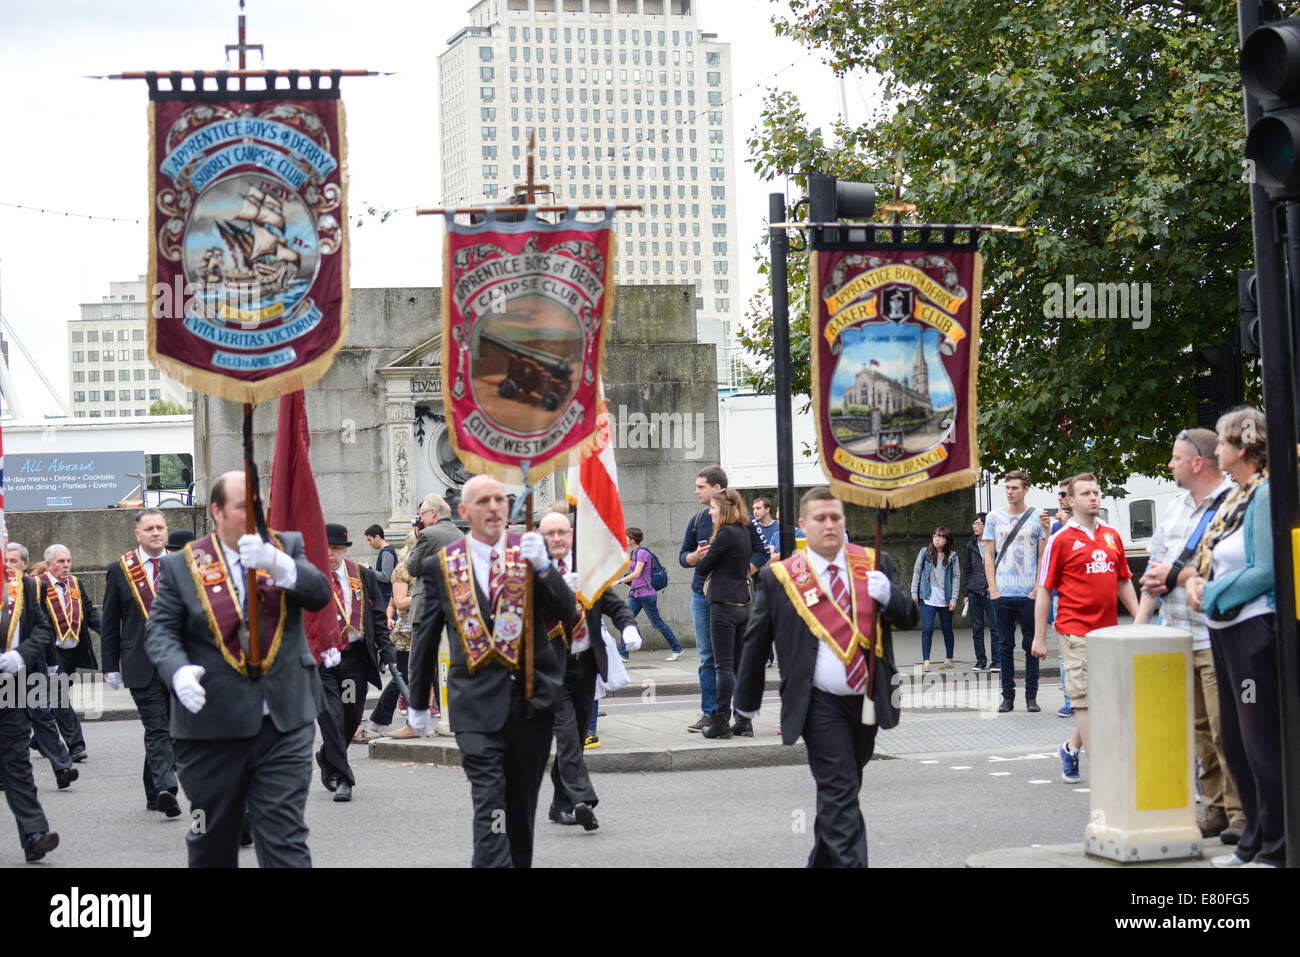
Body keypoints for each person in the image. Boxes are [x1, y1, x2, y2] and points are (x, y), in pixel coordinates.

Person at [144, 470, 332, 867]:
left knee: (285, 837)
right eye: (242, 507)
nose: (253, 514)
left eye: (257, 504)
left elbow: (318, 595)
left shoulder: (286, 546)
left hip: (285, 720)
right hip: (212, 725)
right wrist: (178, 672)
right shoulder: (183, 566)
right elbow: (160, 631)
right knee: (211, 838)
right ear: (216, 511)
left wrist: (280, 565)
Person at [734, 487, 917, 867]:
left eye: (836, 517)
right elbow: (755, 641)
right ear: (803, 525)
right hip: (818, 702)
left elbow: (909, 617)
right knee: (840, 789)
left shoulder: (873, 562)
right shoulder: (781, 577)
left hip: (867, 698)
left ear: (844, 522)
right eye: (820, 518)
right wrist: (746, 702)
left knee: (844, 789)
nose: (829, 525)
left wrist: (889, 598)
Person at [406, 475, 574, 868]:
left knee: (520, 809)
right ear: (465, 512)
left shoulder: (528, 550)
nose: (495, 507)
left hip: (531, 703)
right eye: (484, 501)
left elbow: (567, 612)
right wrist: (417, 702)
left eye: (500, 499)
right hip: (475, 708)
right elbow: (426, 636)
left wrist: (545, 568)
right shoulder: (441, 565)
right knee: (490, 803)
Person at [1186, 407, 1283, 868]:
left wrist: (1208, 592)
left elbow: (1264, 569)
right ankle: (1255, 845)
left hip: (1250, 633)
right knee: (1237, 743)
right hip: (1225, 630)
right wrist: (1196, 584)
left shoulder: (1264, 495)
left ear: (1241, 449)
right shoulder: (1237, 496)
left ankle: (1275, 847)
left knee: (1259, 742)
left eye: (1222, 443)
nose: (1216, 450)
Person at [1134, 428, 1240, 843]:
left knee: (1225, 729)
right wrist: (1140, 629)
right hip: (1175, 636)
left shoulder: (1235, 503)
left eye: (1176, 458)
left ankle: (1240, 814)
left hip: (1216, 636)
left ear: (1198, 462)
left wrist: (1178, 576)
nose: (1170, 465)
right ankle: (1214, 809)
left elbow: (1233, 568)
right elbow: (1153, 575)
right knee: (1199, 731)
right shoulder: (1175, 508)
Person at [1032, 473, 1140, 783]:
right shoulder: (1060, 539)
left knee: (1104, 699)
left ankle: (1069, 748)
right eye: (1086, 493)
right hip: (1074, 630)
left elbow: (1123, 580)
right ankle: (1105, 773)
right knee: (1085, 700)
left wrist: (1140, 620)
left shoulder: (1111, 535)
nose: (1093, 497)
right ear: (1071, 500)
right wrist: (1040, 636)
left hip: (1108, 632)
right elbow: (1044, 589)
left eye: (1096, 491)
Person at [539, 511, 640, 831]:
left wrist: (628, 626)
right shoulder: (533, 572)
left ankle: (559, 805)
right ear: (542, 538)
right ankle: (582, 800)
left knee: (578, 738)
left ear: (571, 534)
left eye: (561, 532)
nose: (556, 538)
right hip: (552, 668)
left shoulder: (588, 569)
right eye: (549, 533)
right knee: (567, 737)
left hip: (585, 667)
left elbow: (613, 604)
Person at [100, 508, 180, 816]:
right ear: (138, 534)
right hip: (140, 663)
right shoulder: (120, 569)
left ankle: (152, 789)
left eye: (161, 527)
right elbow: (110, 622)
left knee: (170, 728)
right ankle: (166, 788)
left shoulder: (178, 566)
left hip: (175, 663)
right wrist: (110, 666)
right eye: (149, 529)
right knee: (157, 727)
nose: (156, 533)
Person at [679, 466, 768, 732]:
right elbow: (684, 556)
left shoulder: (741, 522)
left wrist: (738, 574)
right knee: (709, 657)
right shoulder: (698, 519)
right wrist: (692, 557)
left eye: (700, 487)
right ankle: (713, 713)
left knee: (726, 662)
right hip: (702, 594)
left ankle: (723, 718)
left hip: (727, 598)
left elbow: (761, 553)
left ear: (717, 489)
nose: (696, 492)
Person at [315, 523, 397, 802]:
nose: (331, 554)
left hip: (352, 659)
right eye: (327, 548)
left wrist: (387, 650)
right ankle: (343, 778)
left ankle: (327, 756)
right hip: (322, 661)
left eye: (337, 548)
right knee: (331, 716)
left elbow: (376, 616)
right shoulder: (311, 577)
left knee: (349, 717)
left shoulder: (360, 574)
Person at [0, 533, 61, 861]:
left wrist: (21, 656)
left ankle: (35, 833)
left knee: (18, 762)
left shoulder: (22, 588)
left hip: (10, 686)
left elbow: (42, 630)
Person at [5, 543, 75, 790]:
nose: (9, 565)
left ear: (24, 564)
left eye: (14, 561)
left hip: (31, 665)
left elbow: (43, 627)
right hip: (4, 671)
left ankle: (63, 767)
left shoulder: (35, 587)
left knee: (43, 717)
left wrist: (52, 663)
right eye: (6, 560)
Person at [982, 470, 1048, 712]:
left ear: (1026, 489)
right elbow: (988, 556)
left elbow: (1043, 556)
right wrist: (993, 589)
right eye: (1007, 487)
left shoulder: (1037, 517)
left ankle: (1032, 696)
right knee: (1004, 646)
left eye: (1015, 488)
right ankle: (1007, 696)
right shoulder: (993, 517)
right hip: (1002, 593)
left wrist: (1037, 588)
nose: (1010, 492)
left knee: (1031, 645)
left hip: (1029, 593)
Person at [695, 488, 758, 739]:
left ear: (723, 509)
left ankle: (720, 722)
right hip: (742, 605)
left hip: (723, 607)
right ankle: (744, 720)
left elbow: (703, 568)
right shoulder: (742, 531)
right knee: (741, 667)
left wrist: (705, 553)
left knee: (723, 666)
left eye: (712, 507)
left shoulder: (724, 534)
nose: (709, 512)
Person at [39, 544, 100, 762]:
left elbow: (90, 613)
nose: (66, 566)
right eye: (60, 562)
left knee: (55, 700)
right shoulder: (39, 586)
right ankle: (76, 745)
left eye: (68, 561)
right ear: (48, 564)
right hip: (50, 653)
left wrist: (108, 632)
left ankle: (39, 738)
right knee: (59, 698)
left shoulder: (76, 584)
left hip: (72, 651)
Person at [405, 493, 461, 713]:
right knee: (446, 665)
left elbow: (412, 567)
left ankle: (415, 720)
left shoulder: (428, 535)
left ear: (433, 513)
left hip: (426, 609)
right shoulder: (459, 533)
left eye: (421, 514)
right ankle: (449, 714)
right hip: (453, 607)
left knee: (419, 666)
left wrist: (417, 538)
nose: (420, 518)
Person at [368, 531, 421, 738]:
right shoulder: (402, 570)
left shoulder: (421, 570)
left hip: (424, 628)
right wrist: (425, 593)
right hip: (407, 632)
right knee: (402, 676)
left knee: (429, 675)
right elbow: (398, 602)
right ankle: (380, 719)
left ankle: (422, 720)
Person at [617, 527, 684, 661]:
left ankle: (677, 649)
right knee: (626, 620)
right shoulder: (634, 553)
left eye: (626, 537)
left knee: (657, 623)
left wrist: (619, 581)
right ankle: (623, 654)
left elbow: (636, 573)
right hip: (636, 595)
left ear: (632, 539)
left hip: (646, 595)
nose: (624, 539)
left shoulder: (642, 553)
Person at [910, 527, 961, 670]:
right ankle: (926, 661)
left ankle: (949, 658)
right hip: (927, 596)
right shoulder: (924, 553)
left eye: (941, 537)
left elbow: (956, 577)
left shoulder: (952, 556)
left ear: (947, 540)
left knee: (946, 628)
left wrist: (954, 598)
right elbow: (917, 572)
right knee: (927, 628)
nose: (937, 539)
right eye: (935, 536)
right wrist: (914, 592)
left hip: (945, 597)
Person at [963, 514, 998, 671]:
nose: (975, 527)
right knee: (976, 628)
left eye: (978, 524)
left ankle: (996, 661)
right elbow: (967, 569)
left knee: (995, 627)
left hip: (992, 590)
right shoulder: (971, 544)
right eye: (974, 524)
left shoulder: (994, 543)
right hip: (974, 591)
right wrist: (966, 593)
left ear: (986, 526)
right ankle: (980, 660)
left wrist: (995, 585)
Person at [364, 524, 399, 608]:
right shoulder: (385, 551)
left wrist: (369, 569)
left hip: (387, 599)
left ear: (377, 537)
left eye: (370, 540)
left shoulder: (387, 552)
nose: (370, 544)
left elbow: (386, 577)